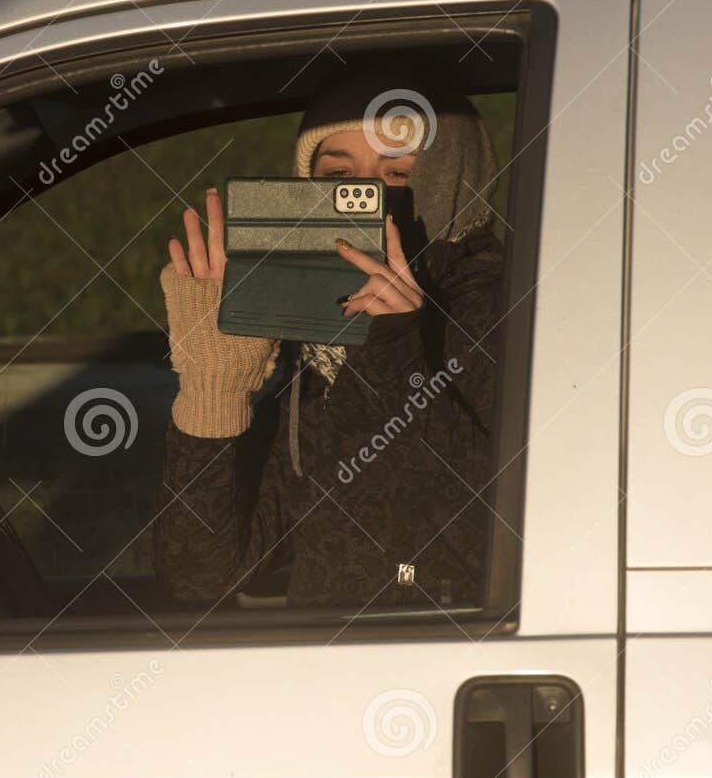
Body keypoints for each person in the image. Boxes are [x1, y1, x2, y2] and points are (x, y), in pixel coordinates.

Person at [154, 70, 505, 608]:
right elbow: (204, 579)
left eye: (396, 175)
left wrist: (393, 346)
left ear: (449, 175)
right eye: (339, 173)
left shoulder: (507, 304)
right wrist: (213, 384)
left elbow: (484, 538)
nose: (359, 194)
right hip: (320, 674)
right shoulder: (319, 333)